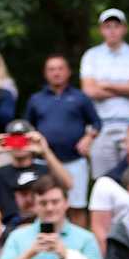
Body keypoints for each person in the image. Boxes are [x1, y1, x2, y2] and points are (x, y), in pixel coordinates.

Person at [24, 54, 102, 218]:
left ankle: (78, 244)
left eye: (60, 69)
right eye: (51, 69)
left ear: (68, 72)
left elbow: (96, 123)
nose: (56, 73)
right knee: (44, 205)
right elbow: (27, 127)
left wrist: (88, 138)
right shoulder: (36, 99)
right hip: (43, 163)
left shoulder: (80, 97)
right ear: (45, 73)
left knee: (76, 207)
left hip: (74, 161)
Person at [80, 8, 129, 179]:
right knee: (104, 181)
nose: (112, 30)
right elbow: (89, 90)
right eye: (108, 26)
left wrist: (106, 85)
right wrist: (127, 88)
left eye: (116, 26)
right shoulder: (91, 55)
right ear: (101, 30)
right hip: (101, 126)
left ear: (124, 28)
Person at [0, 118, 73, 223]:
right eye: (13, 140)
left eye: (23, 140)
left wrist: (45, 151)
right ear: (7, 142)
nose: (18, 145)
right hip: (8, 227)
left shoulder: (45, 170)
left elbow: (68, 185)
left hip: (41, 224)